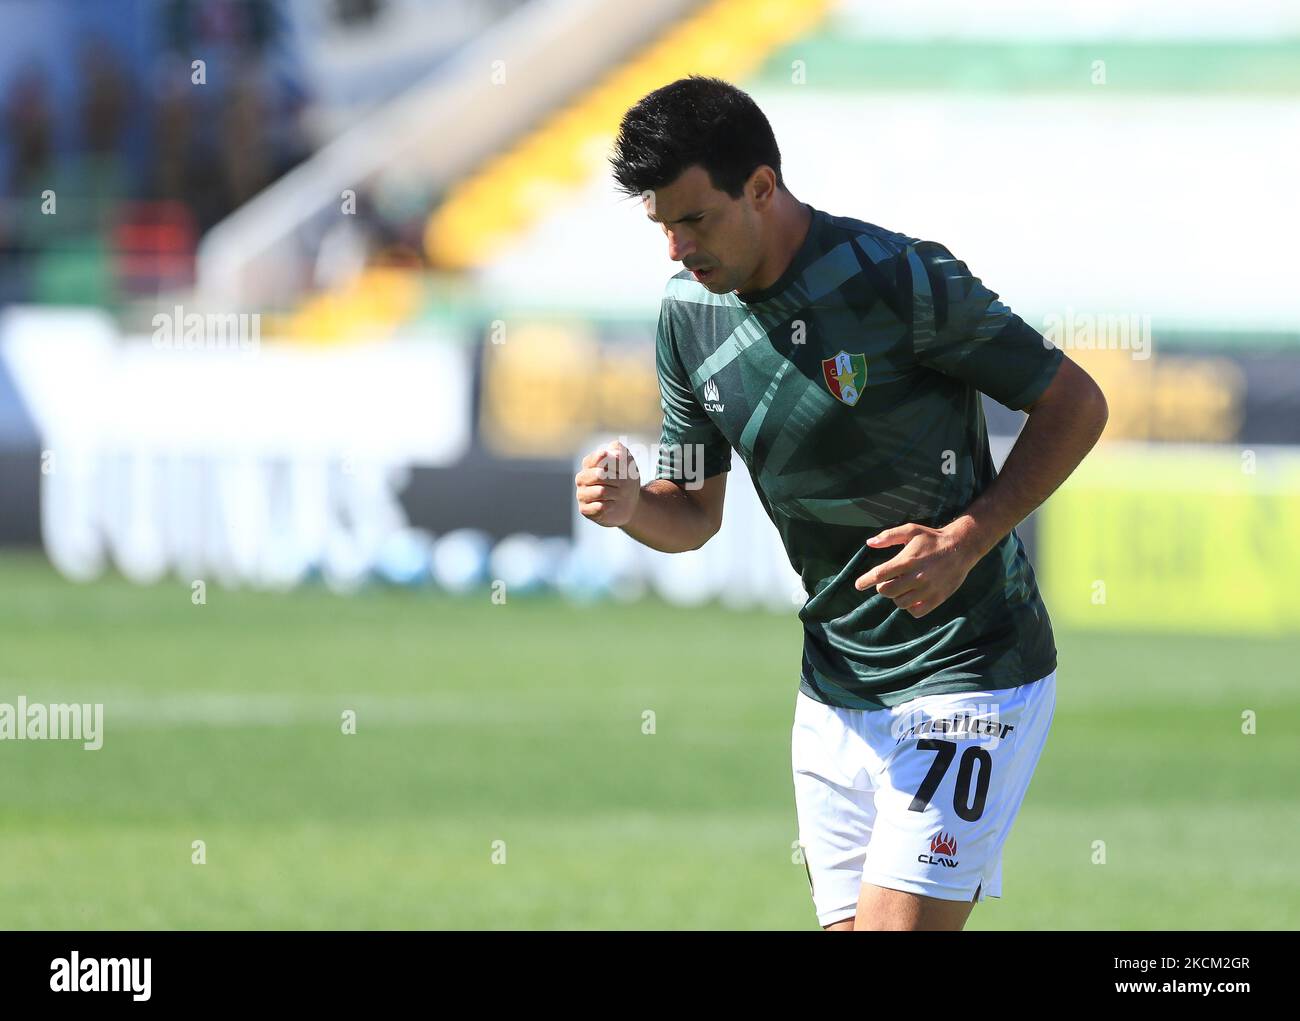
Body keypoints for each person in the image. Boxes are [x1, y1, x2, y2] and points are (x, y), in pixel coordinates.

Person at [575, 76, 1109, 931]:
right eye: (661, 226)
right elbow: (691, 509)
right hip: (835, 688)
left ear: (761, 187)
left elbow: (1076, 402)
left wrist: (968, 540)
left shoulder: (897, 278)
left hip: (969, 665)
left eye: (695, 219)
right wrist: (634, 503)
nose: (676, 248)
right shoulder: (686, 318)